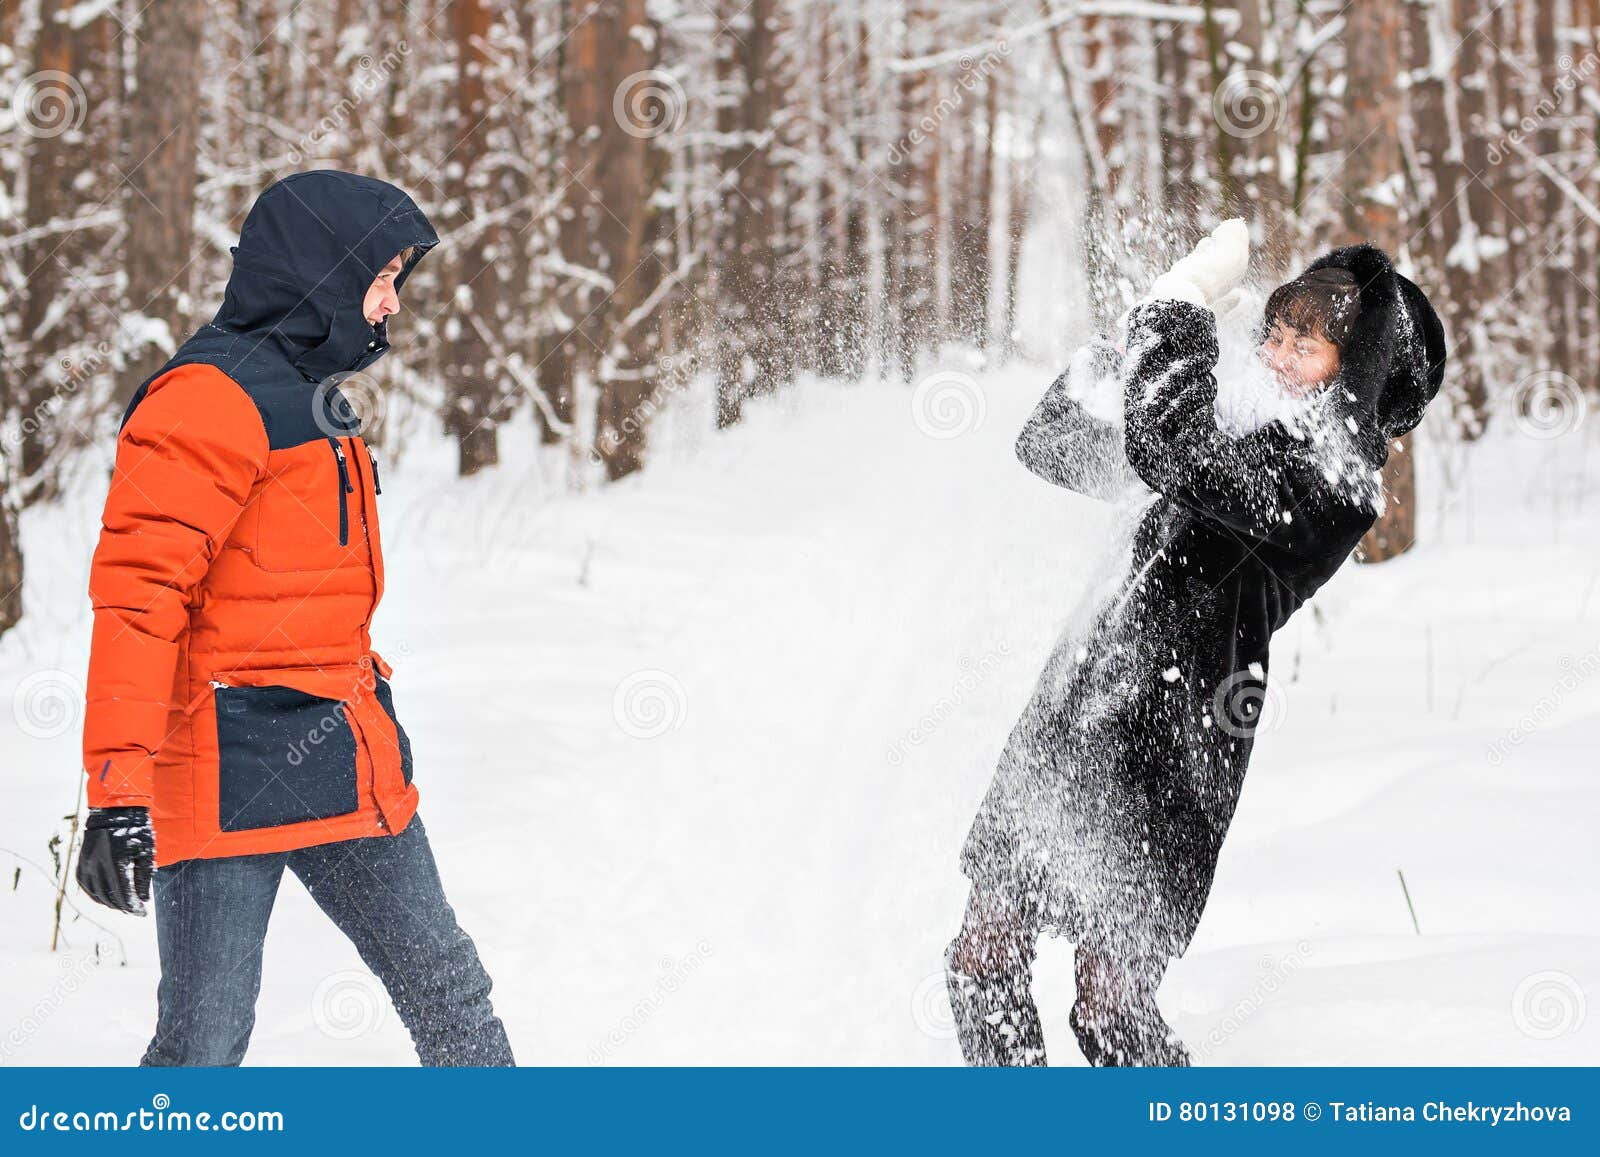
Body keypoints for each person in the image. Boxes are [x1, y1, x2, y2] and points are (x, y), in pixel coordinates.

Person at [945, 223, 1447, 1067]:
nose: (1280, 355)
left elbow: (1174, 448)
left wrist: (1174, 316)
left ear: (1360, 377)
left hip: (1177, 736)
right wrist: (1132, 335)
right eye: (1278, 333)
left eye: (1310, 346)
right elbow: (1057, 446)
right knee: (982, 955)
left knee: (1110, 1000)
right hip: (1081, 700)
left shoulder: (1335, 481)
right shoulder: (1233, 418)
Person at [75, 170, 515, 1067]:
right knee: (204, 1044)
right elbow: (138, 597)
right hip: (226, 763)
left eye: (400, 276)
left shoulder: (320, 392)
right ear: (322, 271)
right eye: (380, 275)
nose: (391, 301)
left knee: (450, 991)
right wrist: (118, 792)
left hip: (341, 749)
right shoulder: (205, 400)